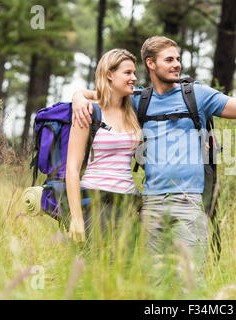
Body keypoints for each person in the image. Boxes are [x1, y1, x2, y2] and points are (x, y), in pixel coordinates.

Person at [71, 36, 236, 278]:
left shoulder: (197, 95)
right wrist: (78, 96)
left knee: (190, 281)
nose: (177, 64)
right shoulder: (138, 99)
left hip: (189, 203)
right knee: (153, 283)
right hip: (150, 205)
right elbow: (106, 93)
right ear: (151, 63)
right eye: (169, 59)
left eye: (178, 59)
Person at [66, 48, 141, 243]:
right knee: (94, 270)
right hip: (95, 202)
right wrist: (76, 218)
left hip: (128, 204)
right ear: (109, 74)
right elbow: (72, 168)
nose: (134, 77)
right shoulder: (88, 112)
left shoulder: (133, 112)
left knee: (126, 271)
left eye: (134, 73)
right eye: (127, 73)